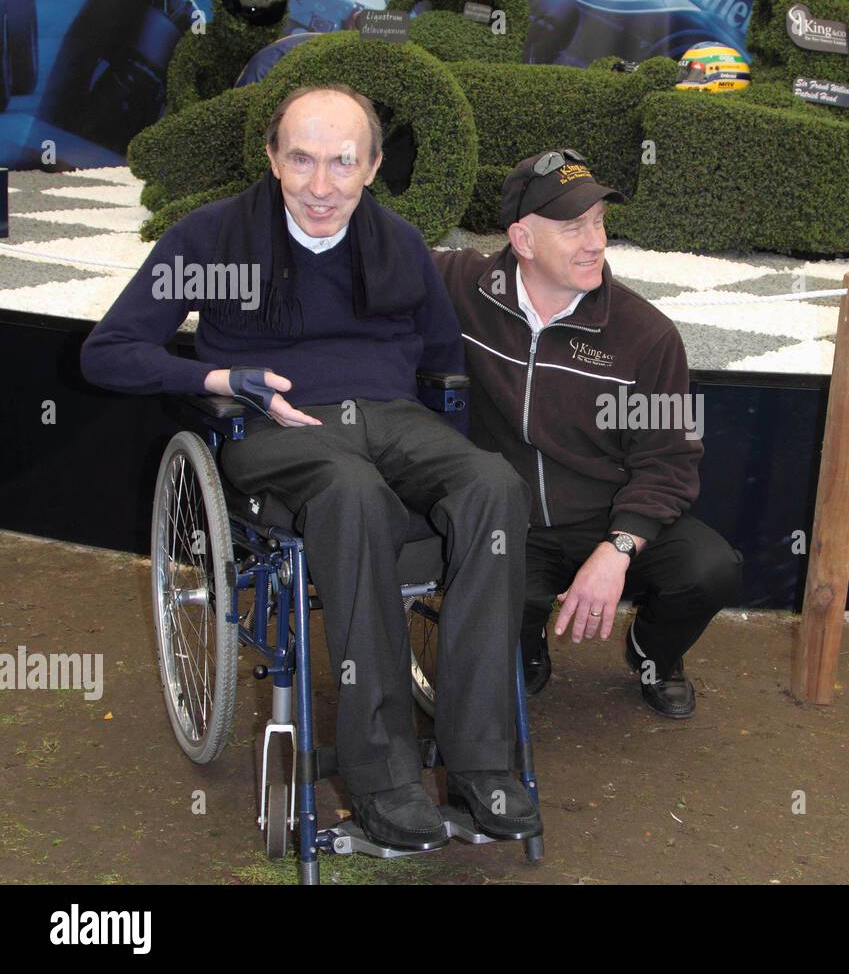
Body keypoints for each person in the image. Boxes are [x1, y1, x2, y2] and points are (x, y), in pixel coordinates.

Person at [80, 84, 540, 849]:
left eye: (342, 162)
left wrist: (444, 457)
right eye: (301, 160)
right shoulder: (213, 240)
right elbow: (109, 352)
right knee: (349, 488)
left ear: (373, 166)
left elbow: (441, 363)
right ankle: (384, 776)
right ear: (271, 156)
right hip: (275, 424)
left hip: (391, 418)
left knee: (492, 484)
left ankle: (482, 764)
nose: (321, 186)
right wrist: (220, 380)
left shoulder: (399, 243)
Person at [432, 149, 743, 718]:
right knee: (498, 585)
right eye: (574, 227)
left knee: (710, 569)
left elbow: (671, 460)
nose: (596, 242)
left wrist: (619, 547)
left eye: (599, 221)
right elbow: (375, 259)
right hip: (511, 517)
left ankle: (654, 654)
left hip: (609, 514)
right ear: (522, 240)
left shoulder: (646, 335)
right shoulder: (462, 288)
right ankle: (526, 647)